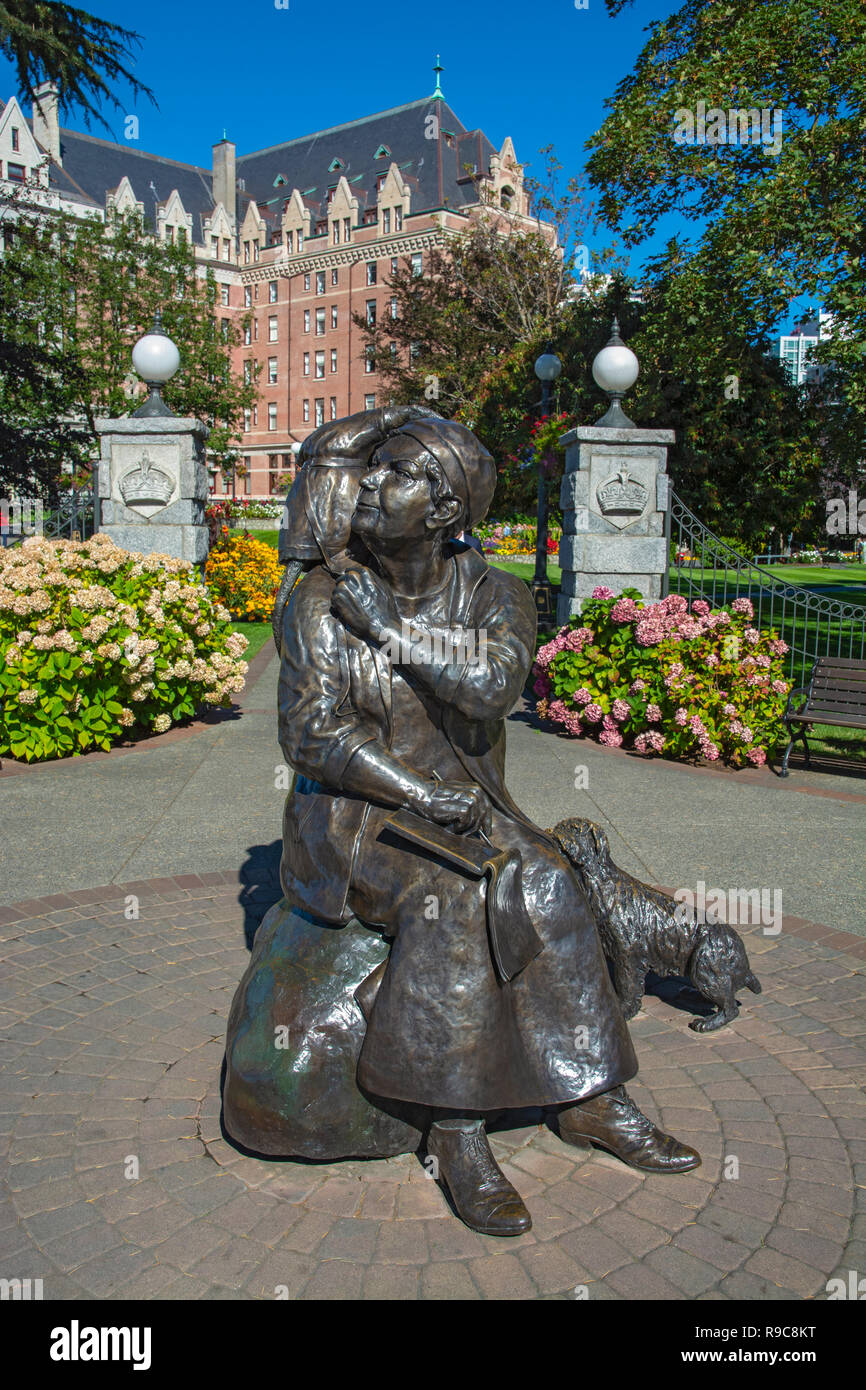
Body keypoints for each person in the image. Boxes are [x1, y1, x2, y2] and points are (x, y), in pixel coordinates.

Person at [271, 412, 700, 1236]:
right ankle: (457, 1132)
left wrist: (391, 630)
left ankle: (590, 1095)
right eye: (375, 470)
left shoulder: (493, 593)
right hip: (362, 816)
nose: (371, 484)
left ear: (442, 510)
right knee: (458, 897)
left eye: (396, 473)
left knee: (548, 876)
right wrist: (417, 793)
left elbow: (491, 688)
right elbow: (314, 735)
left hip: (470, 806)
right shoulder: (320, 598)